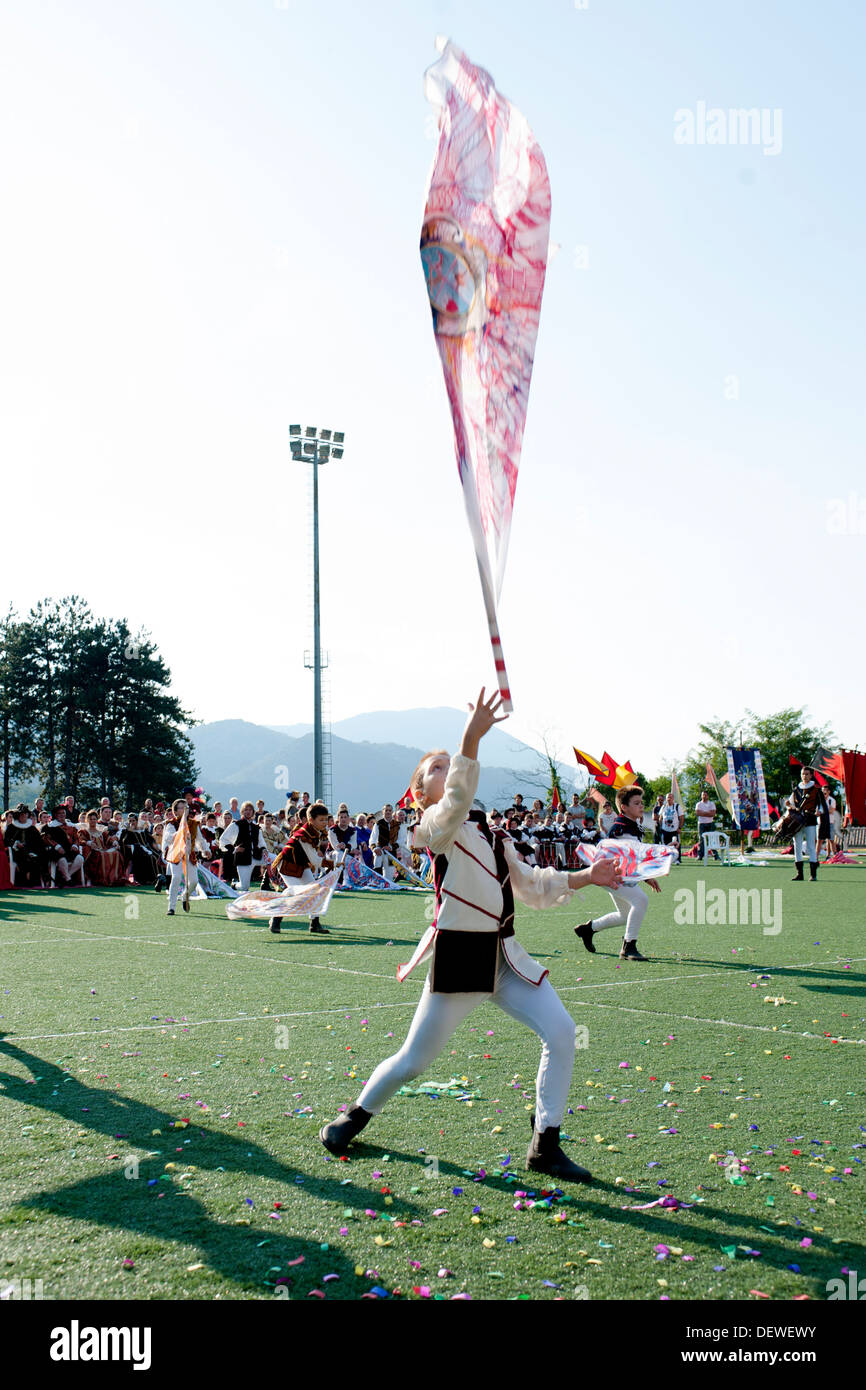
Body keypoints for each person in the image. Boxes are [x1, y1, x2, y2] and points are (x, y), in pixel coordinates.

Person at [318, 690, 623, 1181]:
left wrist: (588, 877)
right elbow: (456, 801)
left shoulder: (494, 834)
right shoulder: (432, 828)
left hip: (504, 956)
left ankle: (545, 1143)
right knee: (414, 1061)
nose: (447, 770)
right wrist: (469, 738)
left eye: (448, 763)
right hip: (459, 959)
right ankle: (354, 1117)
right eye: (436, 768)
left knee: (562, 1032)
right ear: (420, 794)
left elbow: (531, 886)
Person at [574, 784, 662, 961]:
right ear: (624, 807)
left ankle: (588, 929)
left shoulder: (631, 825)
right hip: (612, 876)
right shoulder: (622, 827)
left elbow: (633, 857)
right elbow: (630, 857)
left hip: (617, 876)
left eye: (641, 802)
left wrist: (647, 877)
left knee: (624, 915)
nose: (641, 806)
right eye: (636, 803)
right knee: (641, 900)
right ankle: (629, 947)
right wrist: (647, 875)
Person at [268, 803, 334, 934]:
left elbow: (313, 857)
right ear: (311, 820)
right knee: (296, 893)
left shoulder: (315, 831)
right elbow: (315, 860)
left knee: (315, 890)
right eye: (321, 820)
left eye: (326, 819)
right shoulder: (303, 835)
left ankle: (314, 924)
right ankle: (276, 917)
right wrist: (332, 864)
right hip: (287, 865)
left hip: (301, 865)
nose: (324, 822)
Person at [163, 800, 208, 914]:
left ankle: (185, 896)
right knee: (176, 878)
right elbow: (168, 838)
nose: (184, 810)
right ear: (175, 811)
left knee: (194, 881)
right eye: (181, 808)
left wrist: (205, 850)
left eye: (186, 807)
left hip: (189, 854)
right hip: (176, 854)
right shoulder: (171, 823)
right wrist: (179, 833)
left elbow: (199, 840)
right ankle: (171, 907)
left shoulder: (193, 824)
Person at [787, 767, 830, 881]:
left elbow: (821, 805)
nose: (804, 776)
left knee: (811, 846)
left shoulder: (816, 789)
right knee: (797, 846)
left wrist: (819, 811)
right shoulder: (796, 789)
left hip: (810, 821)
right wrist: (789, 806)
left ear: (811, 775)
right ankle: (799, 874)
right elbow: (789, 803)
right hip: (797, 822)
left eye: (807, 774)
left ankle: (813, 874)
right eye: (802, 774)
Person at [218, 802, 267, 891]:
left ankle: (266, 883)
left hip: (257, 856)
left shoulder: (256, 827)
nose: (248, 812)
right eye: (246, 810)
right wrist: (234, 849)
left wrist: (264, 850)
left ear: (253, 812)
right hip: (243, 859)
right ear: (242, 812)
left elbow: (261, 842)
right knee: (244, 887)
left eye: (250, 810)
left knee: (275, 860)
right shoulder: (236, 825)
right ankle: (234, 885)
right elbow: (223, 840)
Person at [694, 789, 718, 860]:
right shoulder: (698, 804)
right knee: (701, 839)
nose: (704, 796)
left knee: (712, 839)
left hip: (710, 823)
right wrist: (708, 813)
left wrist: (703, 813)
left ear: (708, 796)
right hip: (701, 824)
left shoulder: (711, 804)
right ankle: (700, 855)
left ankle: (715, 855)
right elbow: (698, 813)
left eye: (705, 795)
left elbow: (712, 814)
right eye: (703, 795)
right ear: (701, 796)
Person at [659, 792, 682, 862]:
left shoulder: (677, 806)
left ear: (673, 799)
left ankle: (677, 859)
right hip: (665, 829)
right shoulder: (663, 807)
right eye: (668, 797)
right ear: (666, 799)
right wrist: (661, 826)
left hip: (674, 830)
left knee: (676, 844)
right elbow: (660, 817)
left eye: (670, 797)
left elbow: (682, 817)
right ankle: (666, 859)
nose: (669, 799)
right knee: (665, 845)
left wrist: (680, 827)